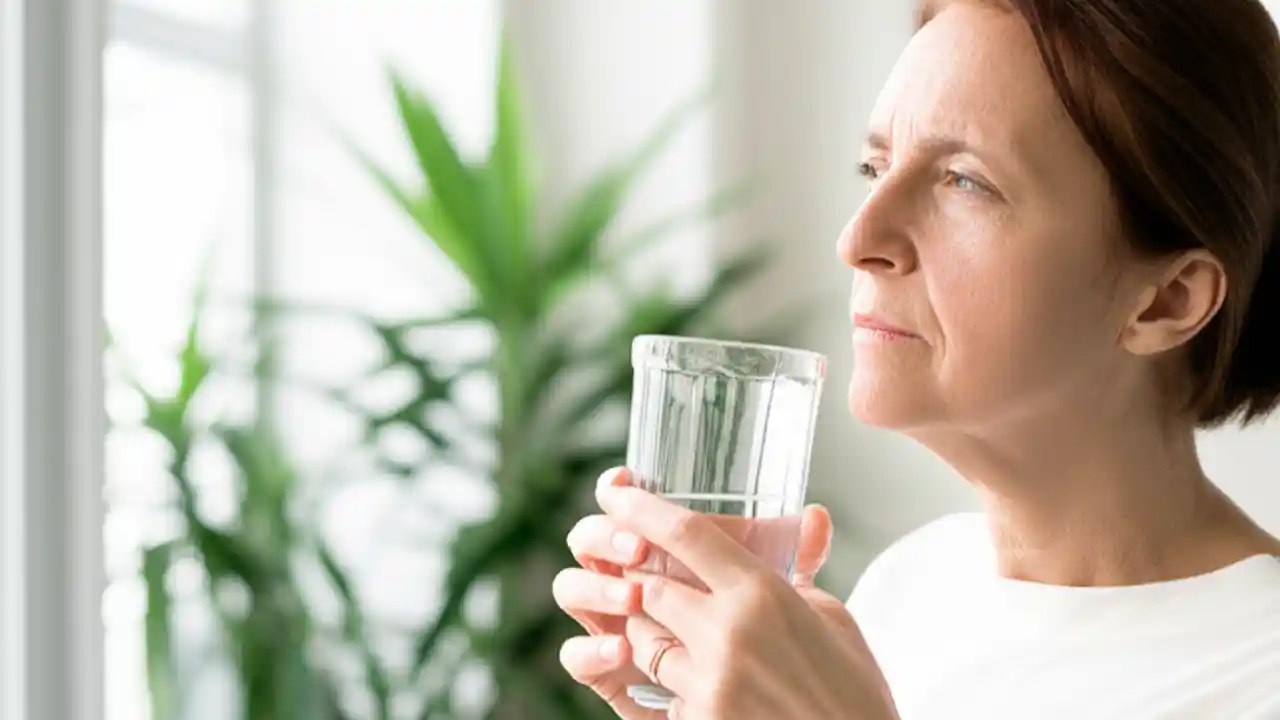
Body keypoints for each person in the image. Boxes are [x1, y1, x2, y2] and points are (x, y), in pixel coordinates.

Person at [552, 0, 1280, 716]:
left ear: (1167, 302)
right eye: (875, 167)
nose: (858, 239)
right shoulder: (908, 591)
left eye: (965, 181)